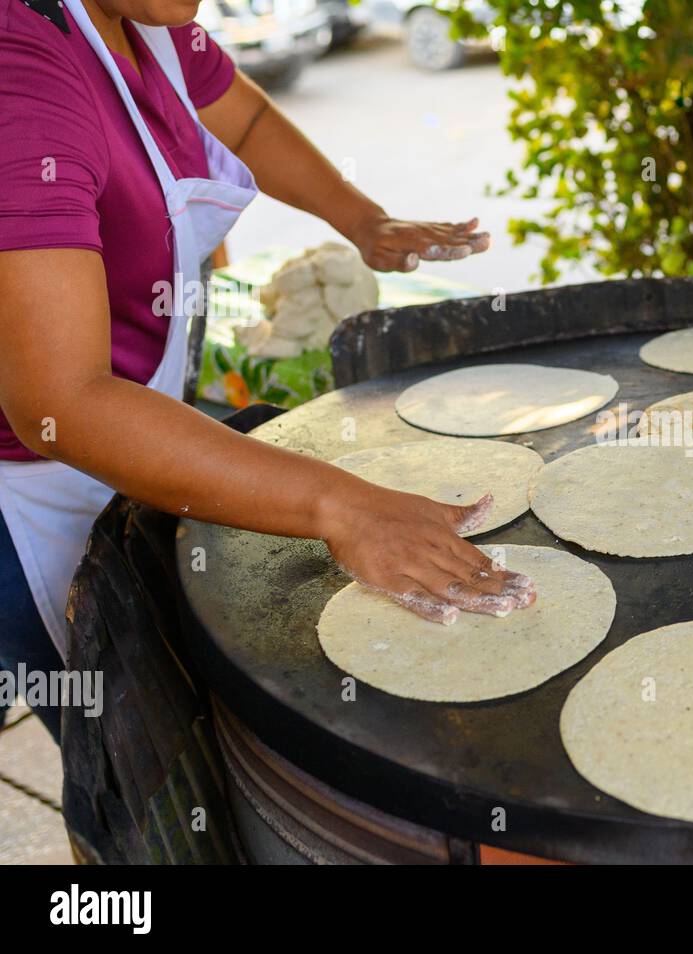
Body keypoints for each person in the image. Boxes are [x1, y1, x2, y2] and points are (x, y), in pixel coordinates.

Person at [0, 0, 535, 742]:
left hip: (135, 429)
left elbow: (242, 119)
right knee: (125, 754)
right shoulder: (21, 71)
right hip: (26, 493)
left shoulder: (150, 21)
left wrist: (360, 218)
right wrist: (341, 506)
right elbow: (59, 402)